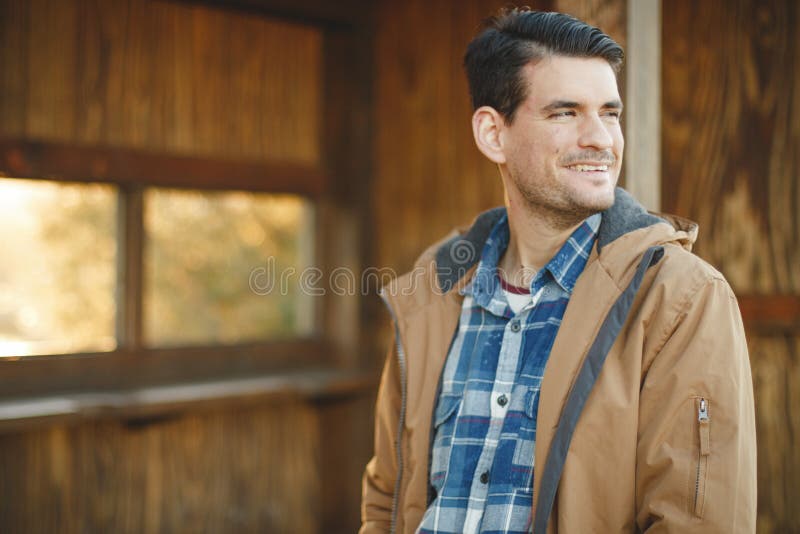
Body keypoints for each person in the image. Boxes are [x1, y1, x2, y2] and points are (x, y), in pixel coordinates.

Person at [360, 8, 756, 534]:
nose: (601, 139)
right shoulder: (431, 292)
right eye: (566, 113)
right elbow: (385, 501)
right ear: (493, 133)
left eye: (610, 113)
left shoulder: (681, 298)